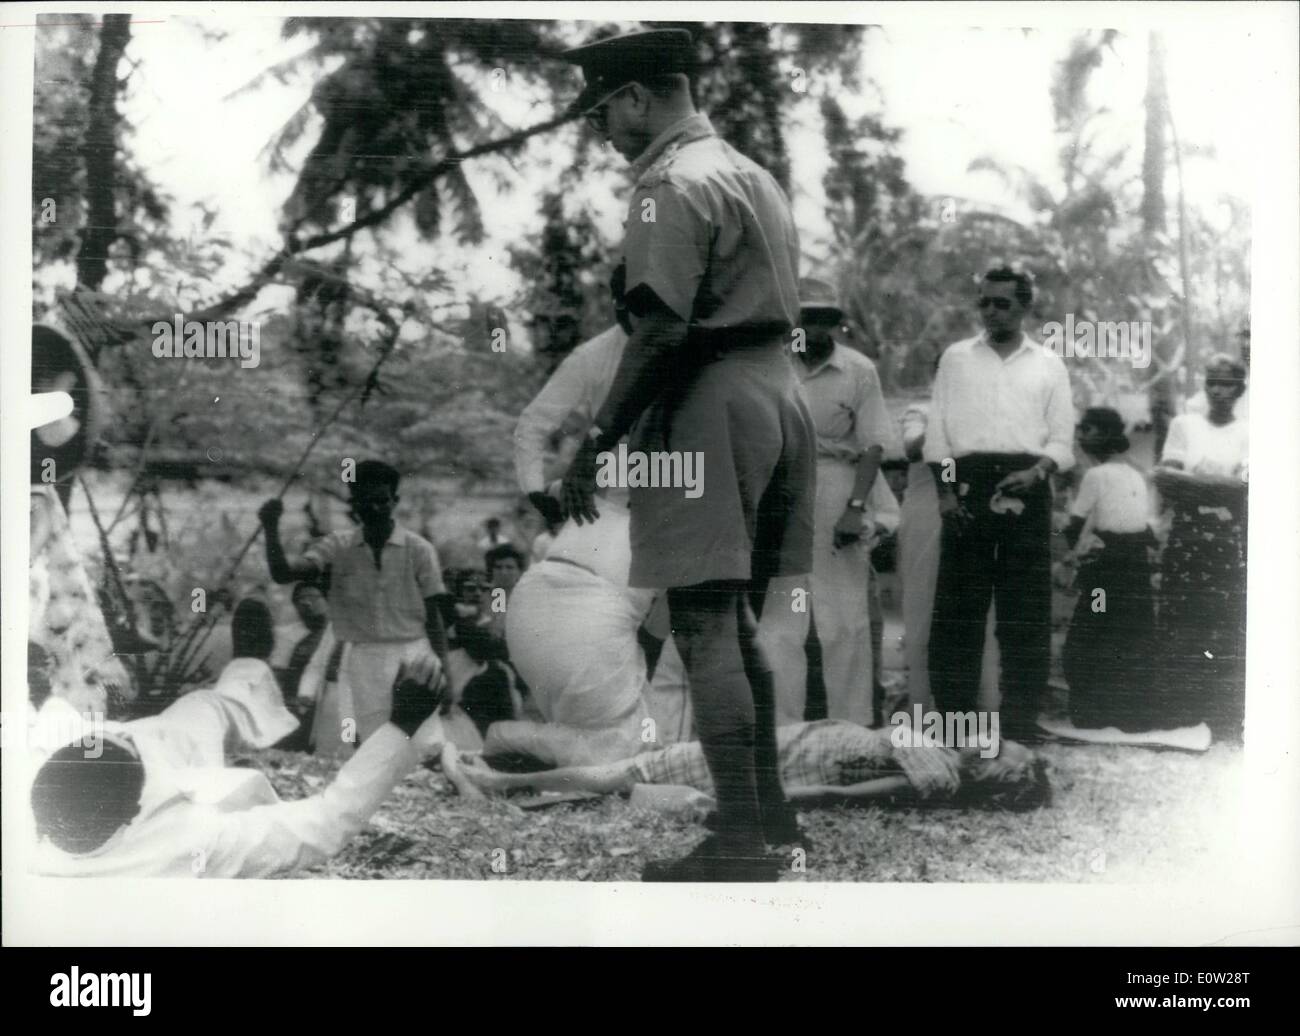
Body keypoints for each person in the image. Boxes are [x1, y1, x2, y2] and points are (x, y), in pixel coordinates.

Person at [558, 29, 816, 881]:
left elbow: (663, 324)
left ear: (637, 97)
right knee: (734, 620)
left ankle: (740, 840)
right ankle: (770, 815)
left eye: (604, 113)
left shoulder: (665, 186)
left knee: (703, 624)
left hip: (709, 399)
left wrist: (599, 437)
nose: (604, 133)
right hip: (777, 392)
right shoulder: (752, 173)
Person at [28, 600, 448, 878]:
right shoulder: (192, 842)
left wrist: (43, 698)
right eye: (127, 748)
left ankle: (248, 673)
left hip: (115, 763)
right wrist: (401, 727)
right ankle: (251, 667)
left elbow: (54, 730)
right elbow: (322, 824)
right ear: (135, 811)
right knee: (208, 705)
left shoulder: (31, 824)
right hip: (179, 767)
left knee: (202, 707)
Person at [924, 265, 1075, 742]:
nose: (991, 311)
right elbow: (937, 435)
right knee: (958, 611)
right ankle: (955, 726)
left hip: (1026, 488)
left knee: (1024, 613)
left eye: (1002, 303)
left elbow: (1063, 439)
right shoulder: (956, 358)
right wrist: (947, 494)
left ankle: (1019, 726)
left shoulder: (1049, 364)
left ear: (1025, 306)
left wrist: (1037, 473)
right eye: (985, 302)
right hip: (966, 487)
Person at [756, 278, 895, 726]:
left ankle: (852, 728)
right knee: (783, 617)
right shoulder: (772, 366)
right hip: (784, 488)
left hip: (838, 486)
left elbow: (873, 444)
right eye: (805, 319)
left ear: (837, 325)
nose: (813, 330)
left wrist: (855, 509)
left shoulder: (858, 369)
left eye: (824, 321)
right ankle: (781, 731)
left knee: (844, 619)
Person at [445, 722, 1050, 814]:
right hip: (777, 744)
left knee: (623, 775)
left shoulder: (936, 777)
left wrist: (774, 799)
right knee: (624, 776)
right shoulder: (938, 751)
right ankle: (502, 776)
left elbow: (845, 794)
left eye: (1005, 762)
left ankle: (500, 781)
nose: (991, 746)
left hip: (771, 764)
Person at [259, 460, 448, 747]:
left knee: (422, 742)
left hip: (414, 654)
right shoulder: (337, 546)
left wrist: (445, 669)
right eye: (364, 501)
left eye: (381, 501)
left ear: (394, 501)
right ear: (353, 504)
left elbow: (434, 617)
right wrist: (270, 527)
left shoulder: (419, 549)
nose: (373, 509)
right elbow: (284, 573)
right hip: (364, 656)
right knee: (372, 742)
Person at [1153, 355, 1249, 741]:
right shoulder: (1184, 425)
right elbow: (1164, 477)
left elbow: (1246, 488)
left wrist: (1193, 482)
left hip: (1227, 537)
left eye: (1225, 383)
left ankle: (1222, 715)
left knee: (1223, 620)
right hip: (1188, 535)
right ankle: (1180, 712)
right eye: (1211, 382)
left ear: (1239, 389)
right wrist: (1216, 484)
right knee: (1182, 618)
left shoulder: (1248, 431)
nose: (1216, 390)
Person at [1060, 408, 1161, 731]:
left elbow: (1074, 525)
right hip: (1135, 570)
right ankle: (1131, 713)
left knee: (1092, 628)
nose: (1080, 436)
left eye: (1086, 430)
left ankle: (1092, 711)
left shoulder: (1096, 476)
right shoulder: (1136, 474)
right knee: (1131, 633)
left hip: (1107, 571)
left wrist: (1074, 552)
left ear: (1104, 434)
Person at [898, 400, 1001, 716]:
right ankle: (925, 706)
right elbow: (912, 449)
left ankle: (980, 706)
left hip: (973, 511)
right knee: (924, 603)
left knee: (980, 608)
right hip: (927, 512)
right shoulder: (921, 411)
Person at [273, 581, 334, 750]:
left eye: (313, 597)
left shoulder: (338, 633)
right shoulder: (288, 635)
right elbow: (278, 674)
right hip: (295, 706)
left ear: (326, 600)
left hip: (329, 704)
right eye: (301, 599)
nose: (307, 603)